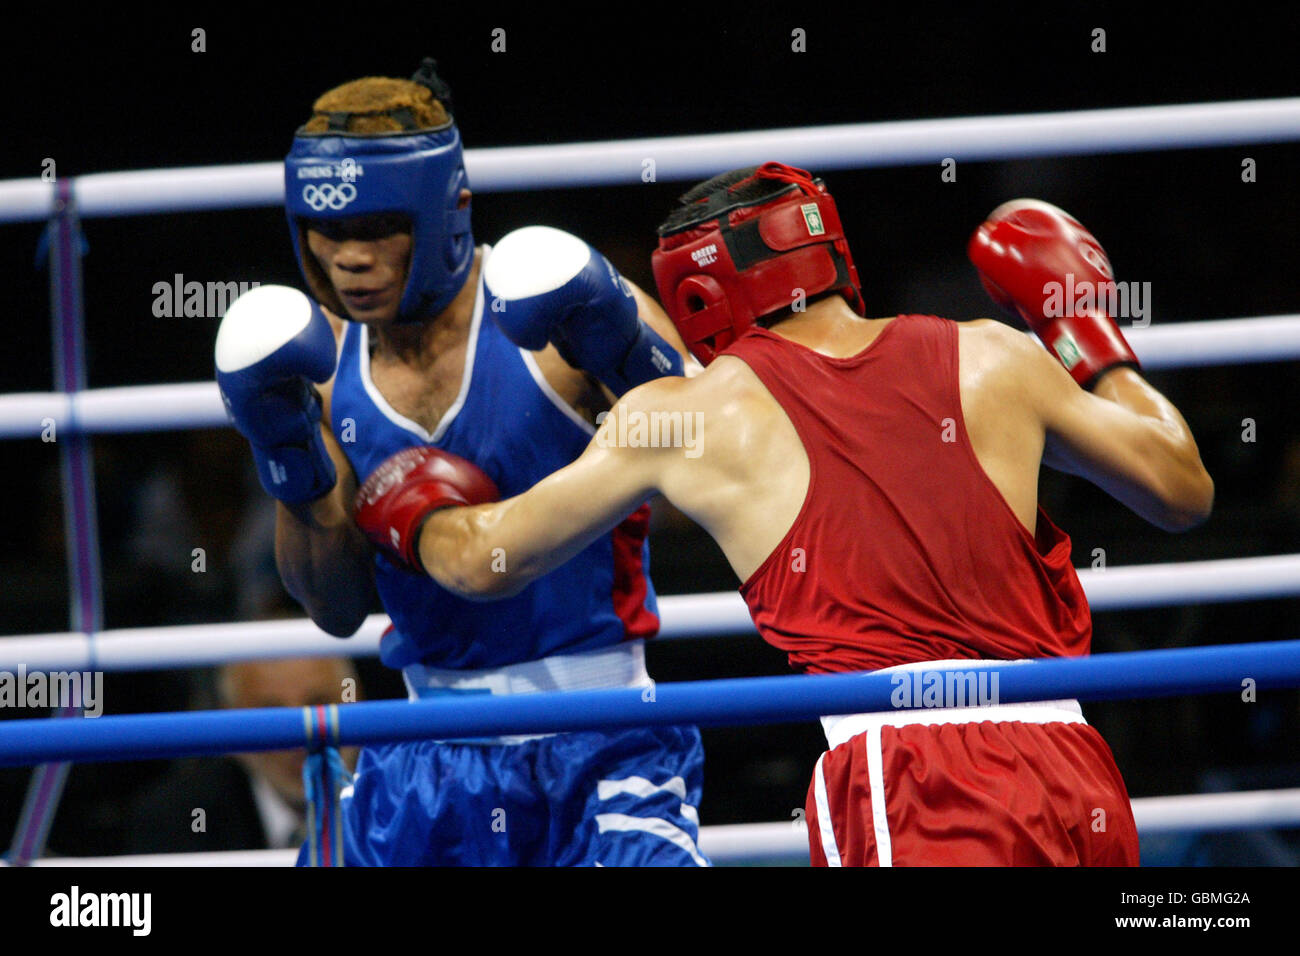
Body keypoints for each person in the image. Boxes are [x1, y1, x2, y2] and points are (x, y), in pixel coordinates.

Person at [368, 162, 1216, 866]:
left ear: (696, 298)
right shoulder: (993, 355)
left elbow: (485, 563)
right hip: (1073, 763)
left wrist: (404, 502)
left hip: (913, 775)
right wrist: (1081, 327)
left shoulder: (691, 414)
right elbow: (1183, 489)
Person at [214, 60, 707, 866]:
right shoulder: (323, 360)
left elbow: (716, 477)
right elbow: (334, 609)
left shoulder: (558, 313)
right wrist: (289, 461)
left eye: (377, 227)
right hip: (423, 753)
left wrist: (637, 367)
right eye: (327, 230)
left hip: (601, 739)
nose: (349, 258)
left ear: (447, 214)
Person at [126, 657, 360, 854]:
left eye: (317, 705)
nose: (300, 738)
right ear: (231, 724)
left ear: (357, 702)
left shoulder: (393, 797)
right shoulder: (177, 820)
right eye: (271, 715)